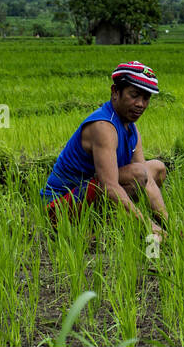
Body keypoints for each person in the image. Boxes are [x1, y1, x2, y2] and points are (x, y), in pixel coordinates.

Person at [41, 61, 169, 238]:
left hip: (88, 192)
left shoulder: (130, 127)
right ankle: (89, 230)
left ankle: (118, 222)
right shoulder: (103, 126)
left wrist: (167, 224)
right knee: (137, 173)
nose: (140, 104)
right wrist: (148, 226)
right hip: (59, 207)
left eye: (146, 98)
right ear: (115, 92)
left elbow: (146, 180)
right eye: (134, 95)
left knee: (156, 168)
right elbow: (109, 186)